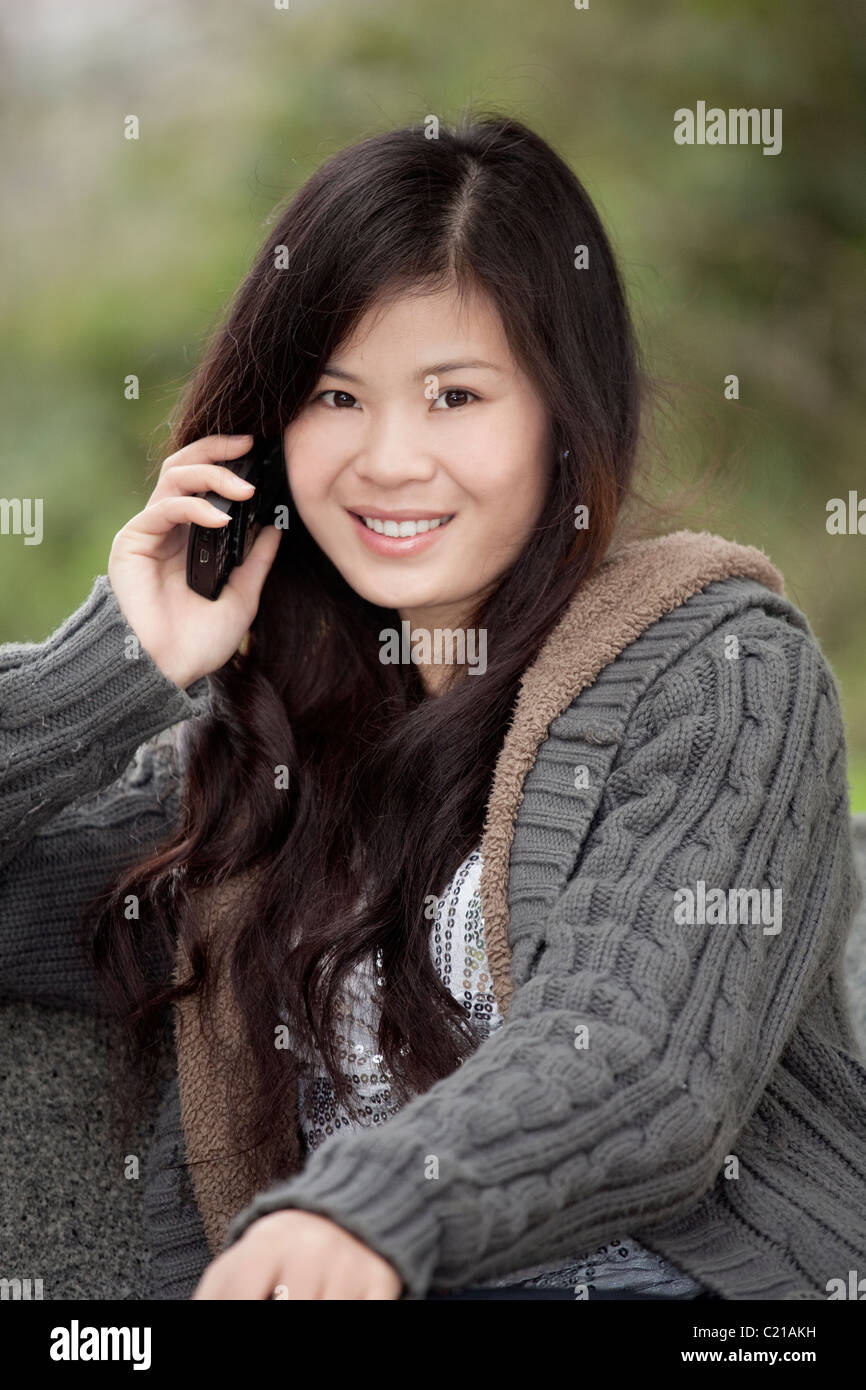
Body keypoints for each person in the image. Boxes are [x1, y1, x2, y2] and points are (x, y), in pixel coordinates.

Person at [1, 113, 864, 1302]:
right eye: (336, 397)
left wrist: (366, 1214)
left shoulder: (717, 676)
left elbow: (645, 1059)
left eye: (454, 396)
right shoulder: (260, 760)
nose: (389, 459)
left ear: (565, 415)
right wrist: (112, 664)